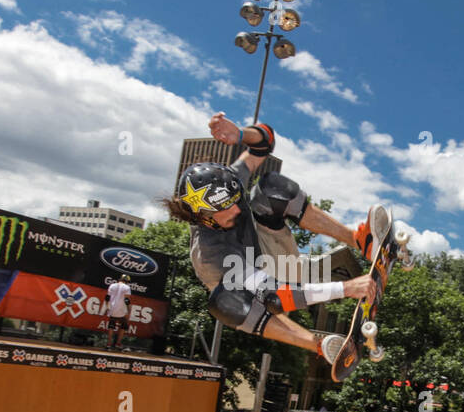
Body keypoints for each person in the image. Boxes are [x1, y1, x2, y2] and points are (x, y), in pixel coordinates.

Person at [162, 113, 386, 363]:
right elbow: (276, 295)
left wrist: (239, 135)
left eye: (236, 201)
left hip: (276, 254)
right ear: (204, 217)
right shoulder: (210, 255)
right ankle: (321, 346)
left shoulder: (229, 184)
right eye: (227, 208)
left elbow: (263, 144)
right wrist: (346, 288)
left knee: (271, 186)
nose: (237, 210)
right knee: (223, 302)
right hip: (265, 298)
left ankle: (361, 241)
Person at [103, 273, 133, 350]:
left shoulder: (112, 286)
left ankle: (109, 344)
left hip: (112, 309)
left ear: (120, 279)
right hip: (121, 310)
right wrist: (129, 310)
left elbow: (107, 297)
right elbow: (126, 300)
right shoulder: (127, 287)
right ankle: (118, 343)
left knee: (111, 325)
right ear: (127, 281)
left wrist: (107, 307)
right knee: (123, 325)